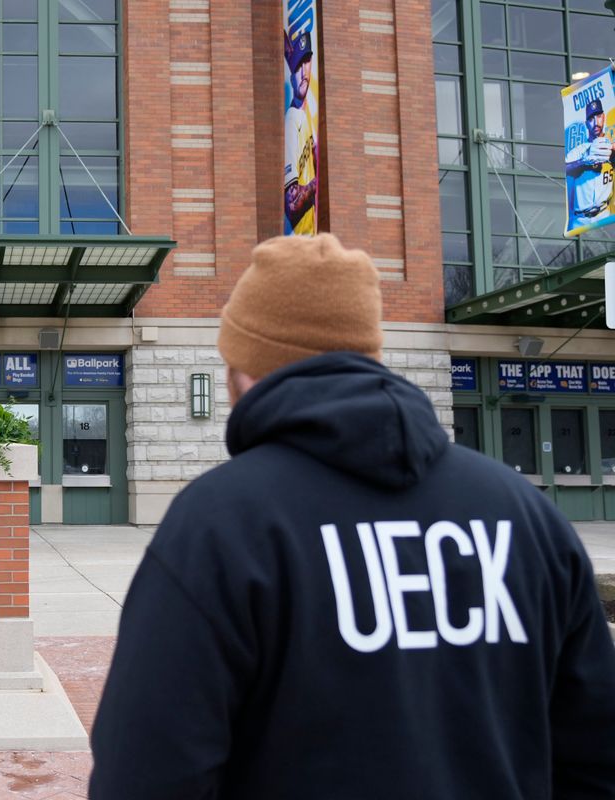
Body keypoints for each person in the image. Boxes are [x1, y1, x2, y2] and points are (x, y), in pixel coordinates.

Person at [89, 233, 615, 799]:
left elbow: (147, 775)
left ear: (242, 364)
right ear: (369, 352)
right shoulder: (525, 516)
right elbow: (596, 759)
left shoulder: (221, 525)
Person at [283, 29, 317, 235]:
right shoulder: (291, 119)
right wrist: (317, 183)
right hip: (298, 244)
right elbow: (293, 204)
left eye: (306, 62)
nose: (304, 73)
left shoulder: (306, 116)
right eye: (297, 68)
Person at [565, 98, 614, 230]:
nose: (595, 123)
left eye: (598, 116)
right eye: (591, 119)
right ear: (586, 124)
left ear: (603, 117)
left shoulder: (610, 146)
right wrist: (584, 161)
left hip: (604, 214)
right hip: (580, 219)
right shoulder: (579, 151)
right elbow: (565, 168)